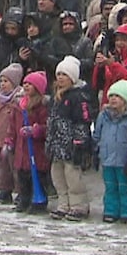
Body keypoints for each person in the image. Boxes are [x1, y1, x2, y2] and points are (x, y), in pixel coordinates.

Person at [46, 56, 95, 220]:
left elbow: (82, 122)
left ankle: (78, 206)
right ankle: (63, 204)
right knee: (58, 177)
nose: (60, 78)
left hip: (72, 146)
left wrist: (80, 142)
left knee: (73, 178)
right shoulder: (56, 97)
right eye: (58, 74)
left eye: (64, 75)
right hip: (57, 145)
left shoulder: (78, 97)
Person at [95, 80, 127, 224]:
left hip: (124, 159)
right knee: (110, 187)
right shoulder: (103, 116)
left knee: (125, 187)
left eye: (118, 96)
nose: (113, 98)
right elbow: (97, 134)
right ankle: (110, 210)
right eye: (112, 95)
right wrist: (95, 151)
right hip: (107, 158)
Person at [8, 71, 51, 214]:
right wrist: (10, 139)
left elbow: (47, 127)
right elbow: (13, 126)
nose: (26, 86)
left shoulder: (41, 107)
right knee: (22, 177)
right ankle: (24, 200)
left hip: (36, 151)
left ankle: (39, 201)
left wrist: (36, 130)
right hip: (22, 150)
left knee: (36, 177)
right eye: (25, 83)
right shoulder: (19, 105)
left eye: (30, 84)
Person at [0, 64, 26, 206]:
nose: (3, 84)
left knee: (14, 165)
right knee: (2, 165)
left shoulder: (17, 98)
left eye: (6, 81)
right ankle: (5, 189)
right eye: (2, 81)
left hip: (12, 138)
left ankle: (20, 190)